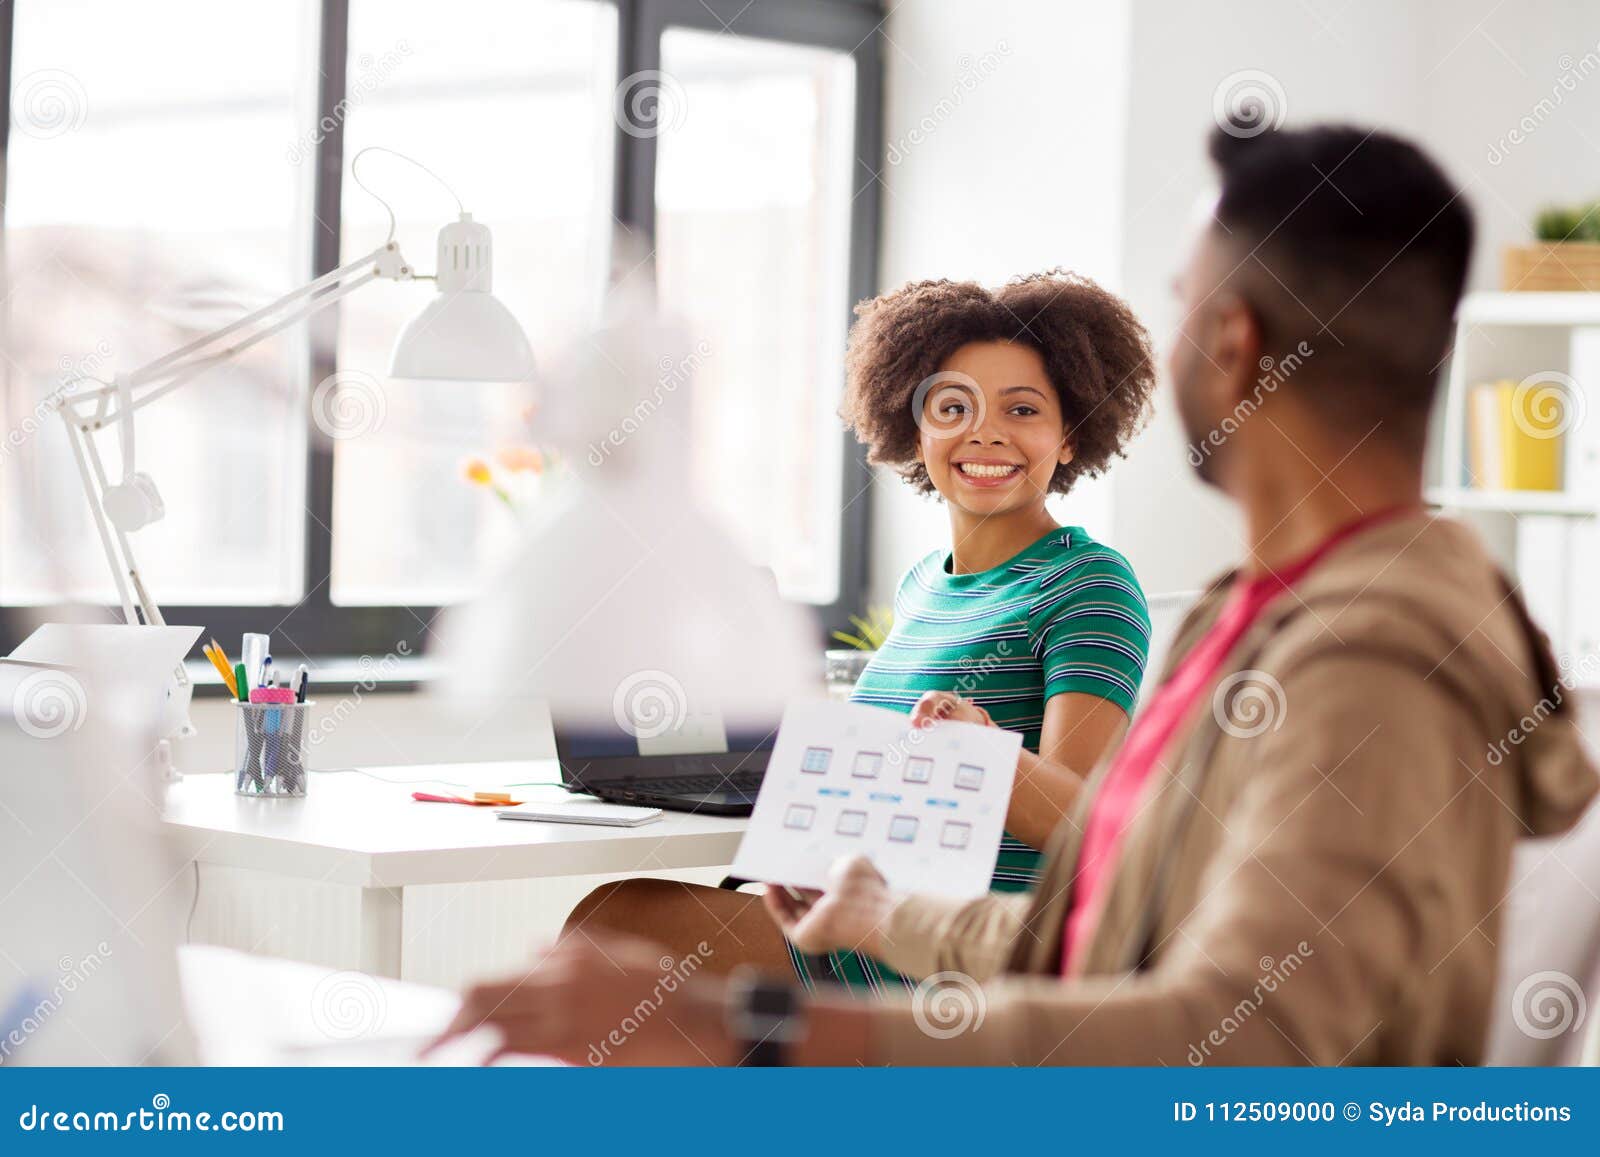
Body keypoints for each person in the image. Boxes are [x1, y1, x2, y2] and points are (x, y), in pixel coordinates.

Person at [432, 122, 1599, 1066]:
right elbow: (1115, 925)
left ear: (1232, 342)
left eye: (1182, 303)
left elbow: (1242, 1042)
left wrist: (757, 1026)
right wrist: (887, 916)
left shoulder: (1364, 660)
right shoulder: (1263, 618)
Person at [558, 271, 1158, 990]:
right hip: (860, 907)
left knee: (617, 924)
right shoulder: (922, 587)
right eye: (952, 405)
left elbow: (1087, 830)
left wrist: (982, 757)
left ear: (1069, 437)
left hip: (960, 946)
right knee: (621, 932)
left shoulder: (1089, 583)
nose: (985, 431)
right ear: (916, 428)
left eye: (1023, 408)